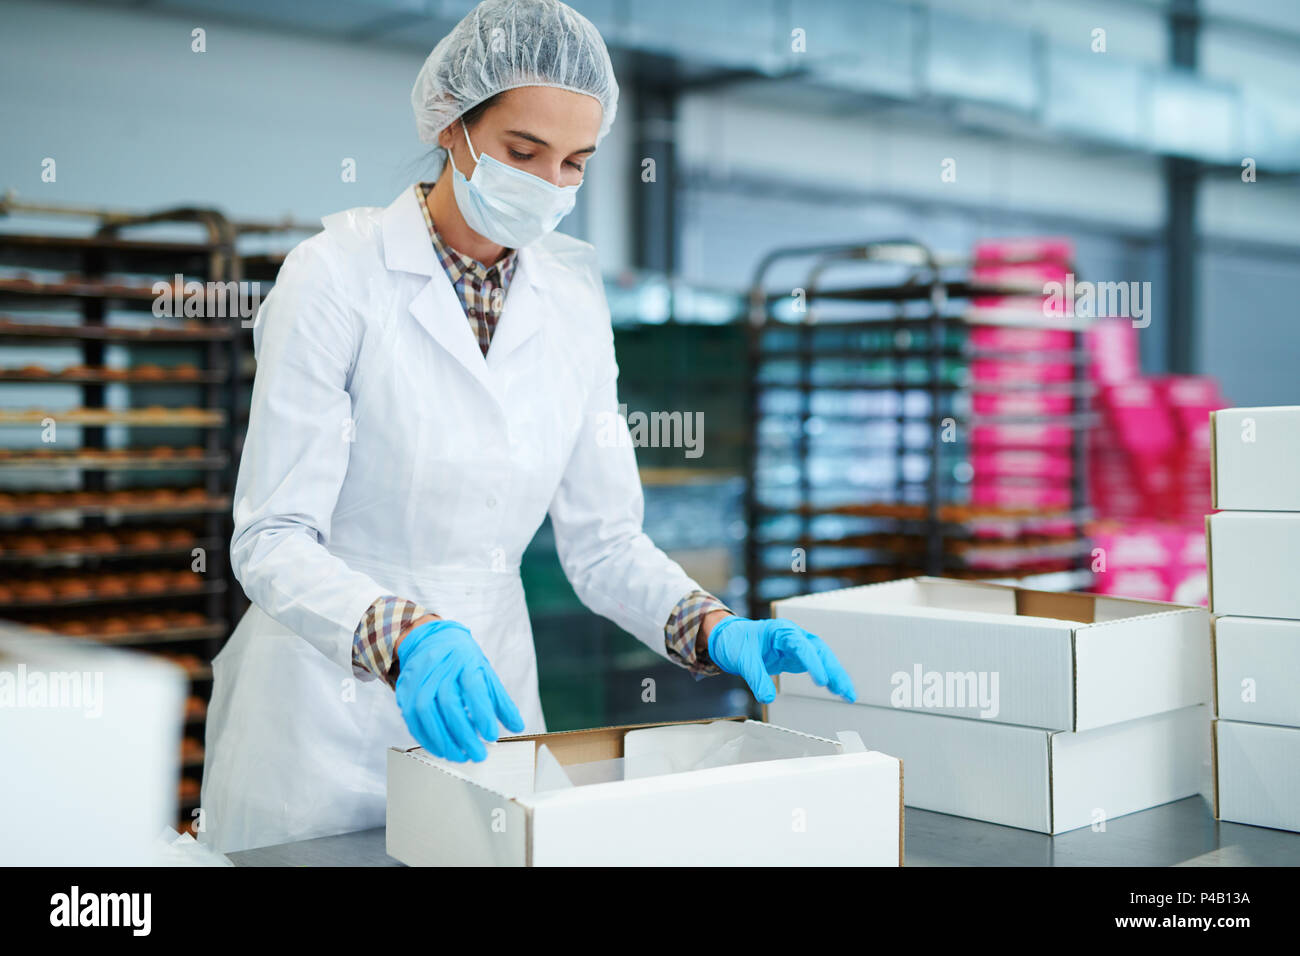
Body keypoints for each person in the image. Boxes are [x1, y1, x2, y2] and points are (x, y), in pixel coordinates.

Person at [200, 0, 855, 854]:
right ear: (452, 124)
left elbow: (605, 546)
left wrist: (712, 627)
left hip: (494, 702)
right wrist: (410, 636)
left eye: (575, 164)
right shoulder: (335, 279)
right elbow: (272, 537)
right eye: (521, 152)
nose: (549, 185)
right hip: (319, 715)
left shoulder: (574, 302)